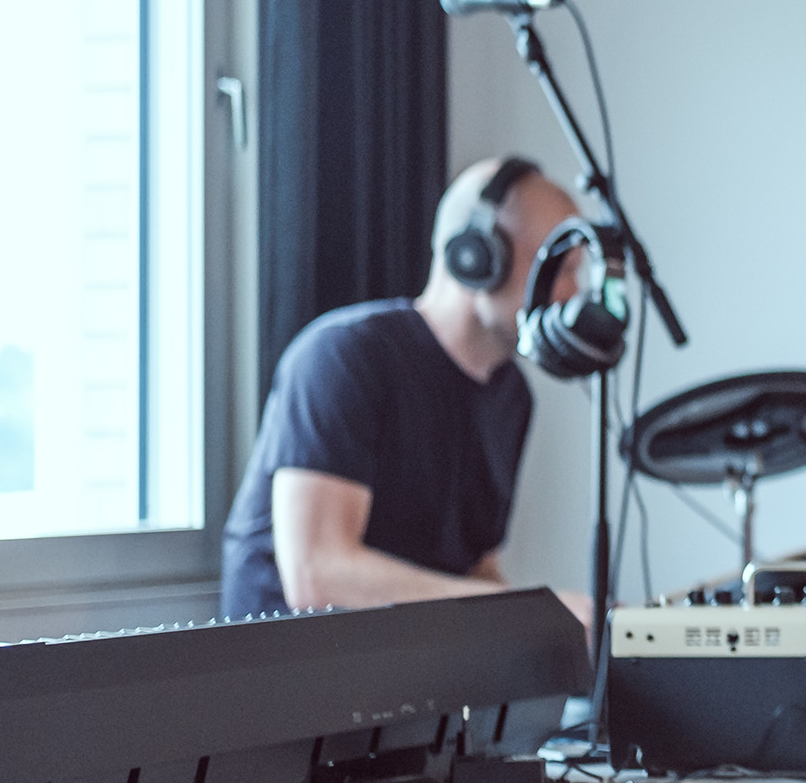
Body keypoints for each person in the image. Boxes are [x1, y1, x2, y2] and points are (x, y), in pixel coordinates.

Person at [219, 155, 590, 623]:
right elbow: (317, 576)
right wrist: (523, 611)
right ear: (478, 256)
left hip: (407, 678)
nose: (575, 294)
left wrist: (549, 624)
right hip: (293, 681)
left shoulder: (511, 395)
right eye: (562, 268)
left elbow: (472, 569)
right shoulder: (344, 357)